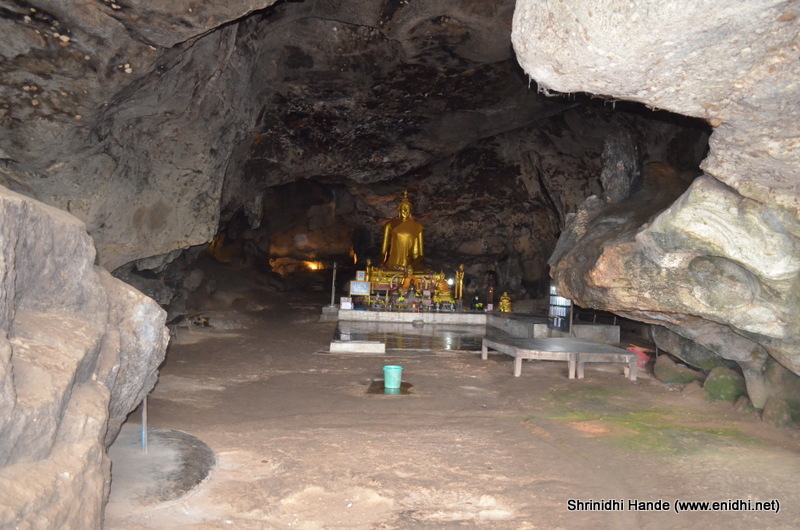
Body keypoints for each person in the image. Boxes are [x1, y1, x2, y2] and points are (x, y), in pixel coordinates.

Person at [381, 191, 424, 270]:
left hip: (409, 266)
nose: (405, 211)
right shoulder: (389, 226)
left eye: (407, 209)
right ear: (399, 210)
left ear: (410, 212)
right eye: (403, 208)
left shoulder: (417, 227)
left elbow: (420, 255)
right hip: (392, 264)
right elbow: (384, 250)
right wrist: (382, 264)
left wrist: (411, 266)